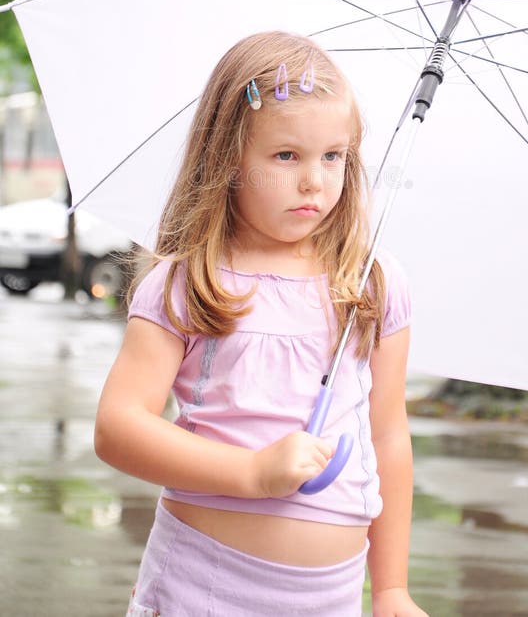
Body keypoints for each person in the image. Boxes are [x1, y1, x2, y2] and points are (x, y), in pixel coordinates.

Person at [95, 31, 427, 617]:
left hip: (331, 597)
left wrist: (392, 586)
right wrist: (249, 472)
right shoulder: (190, 282)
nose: (315, 181)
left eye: (334, 156)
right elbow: (119, 427)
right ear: (227, 161)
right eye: (286, 156)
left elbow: (388, 437)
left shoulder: (370, 282)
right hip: (202, 587)